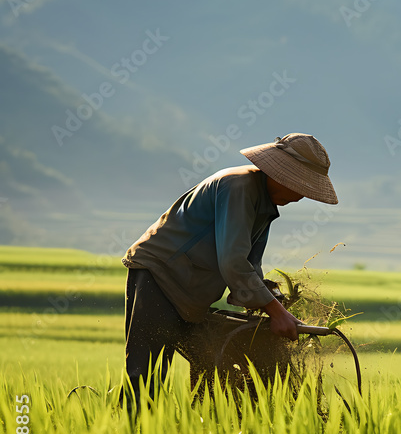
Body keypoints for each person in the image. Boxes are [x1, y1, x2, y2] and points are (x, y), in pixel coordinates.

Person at [120, 133, 338, 409]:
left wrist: (271, 300)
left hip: (192, 290)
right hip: (160, 275)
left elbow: (250, 263)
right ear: (281, 175)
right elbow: (233, 262)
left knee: (212, 359)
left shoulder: (264, 202)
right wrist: (275, 312)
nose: (301, 196)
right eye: (301, 187)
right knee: (145, 375)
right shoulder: (239, 187)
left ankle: (203, 428)